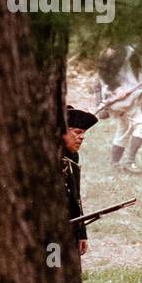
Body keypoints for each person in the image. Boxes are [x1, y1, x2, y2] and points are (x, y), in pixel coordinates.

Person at [97, 45, 142, 173]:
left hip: (130, 101)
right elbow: (104, 72)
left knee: (124, 130)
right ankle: (129, 163)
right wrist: (116, 88)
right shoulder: (121, 50)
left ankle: (115, 163)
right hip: (119, 100)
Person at [63, 107, 99, 256]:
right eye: (77, 132)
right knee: (53, 266)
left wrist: (81, 233)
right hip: (50, 231)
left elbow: (75, 198)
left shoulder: (73, 157)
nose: (82, 137)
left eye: (83, 133)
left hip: (70, 229)